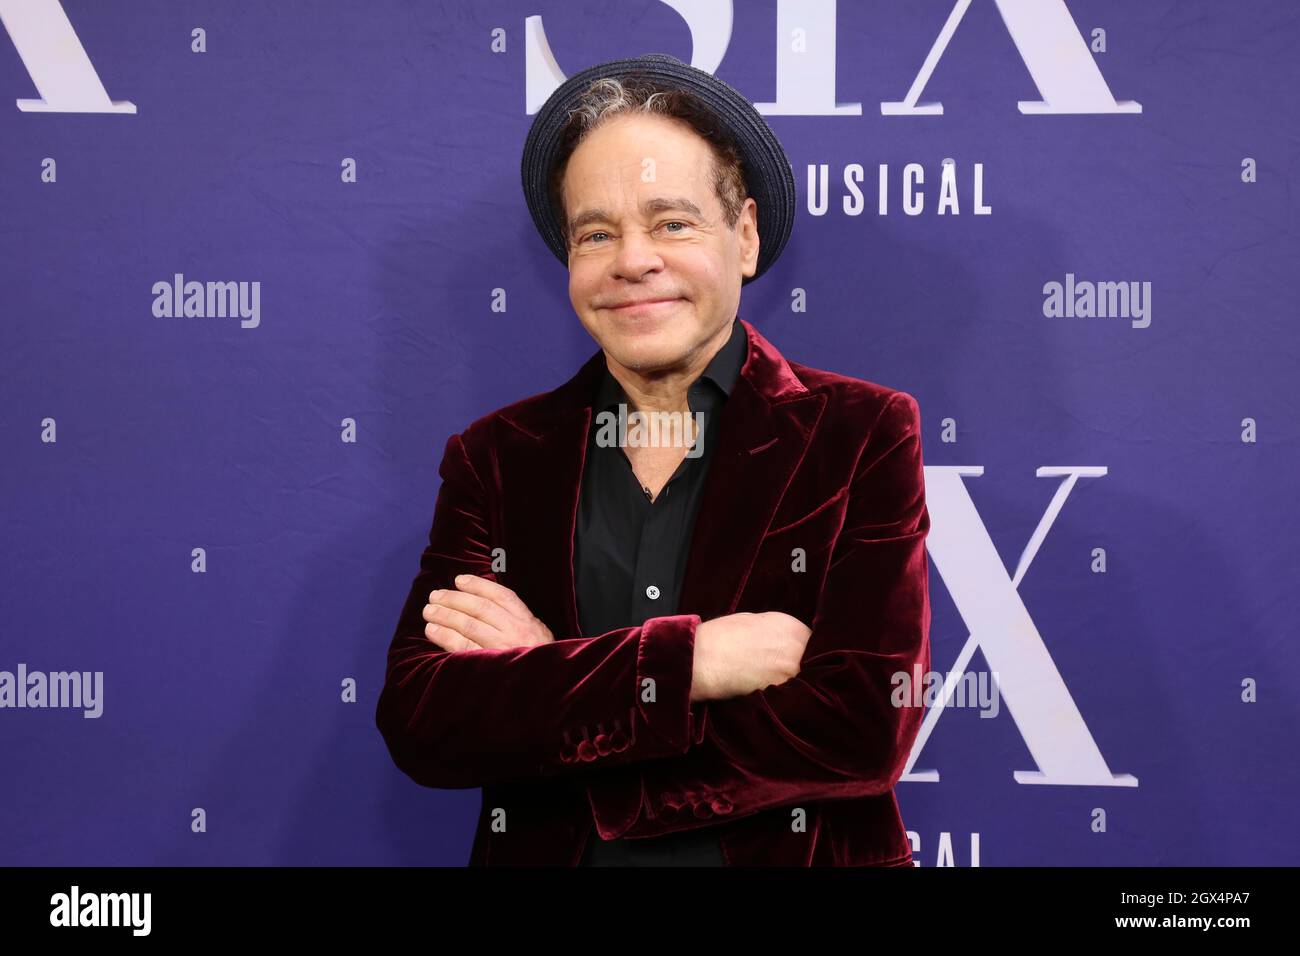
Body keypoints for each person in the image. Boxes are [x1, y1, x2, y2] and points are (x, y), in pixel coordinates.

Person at [375, 54, 931, 866]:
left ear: (743, 235)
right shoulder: (496, 458)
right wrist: (692, 662)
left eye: (672, 222)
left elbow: (860, 728)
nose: (633, 260)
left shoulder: (861, 432)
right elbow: (426, 721)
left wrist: (548, 678)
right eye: (596, 233)